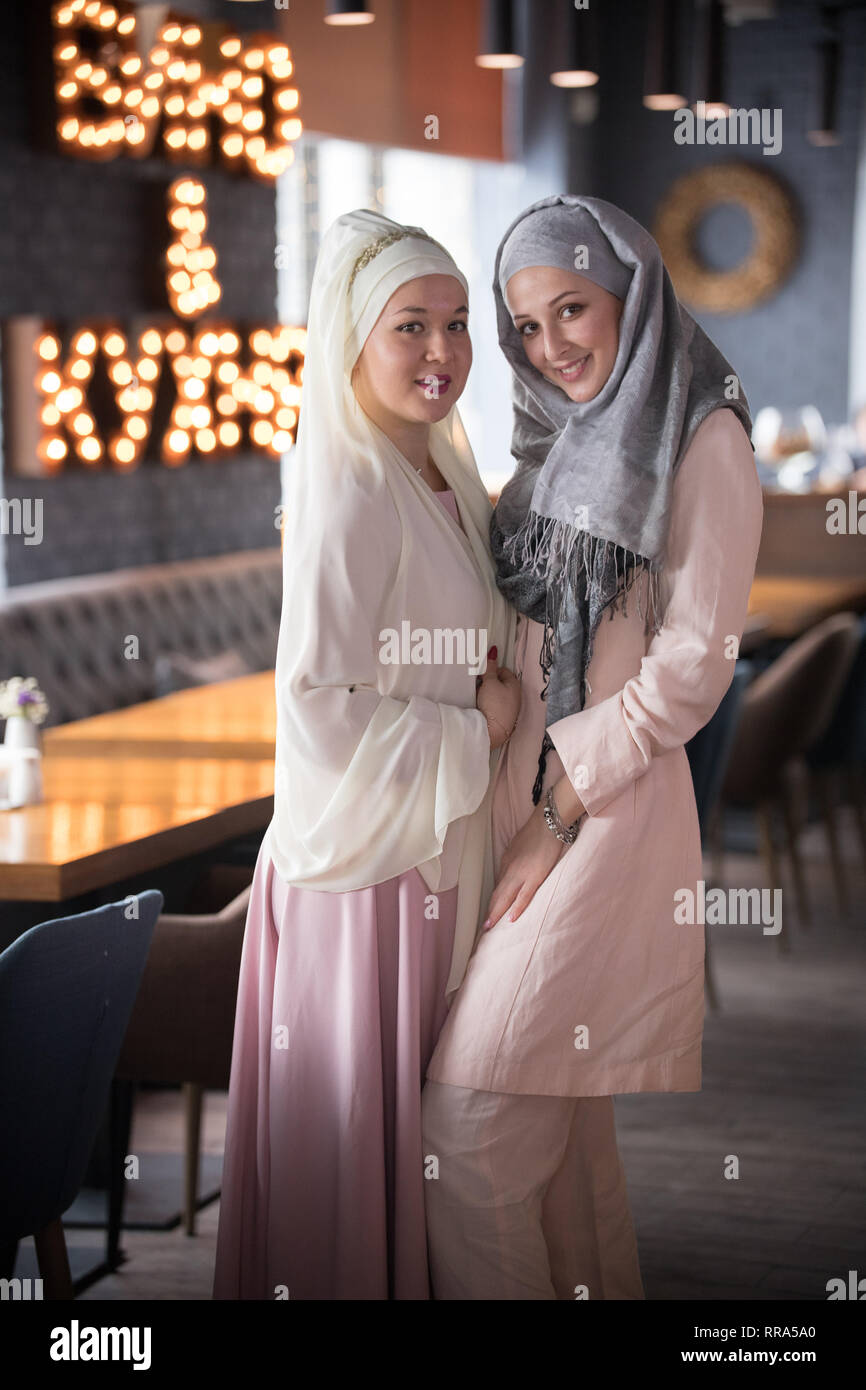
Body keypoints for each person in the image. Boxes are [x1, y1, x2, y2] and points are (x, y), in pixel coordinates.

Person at [422, 194, 765, 1300]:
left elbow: (691, 665)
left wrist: (559, 814)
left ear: (628, 293)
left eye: (571, 307)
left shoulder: (700, 432)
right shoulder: (552, 442)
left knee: (468, 1118)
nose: (549, 344)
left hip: (601, 815)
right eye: (523, 325)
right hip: (522, 804)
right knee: (563, 1135)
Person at [212, 209, 519, 1300]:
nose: (440, 353)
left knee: (426, 1127)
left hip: (429, 849)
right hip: (368, 878)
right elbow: (316, 707)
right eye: (408, 327)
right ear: (352, 336)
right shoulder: (347, 488)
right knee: (365, 1134)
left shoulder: (434, 474)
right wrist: (471, 728)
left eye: (454, 324)